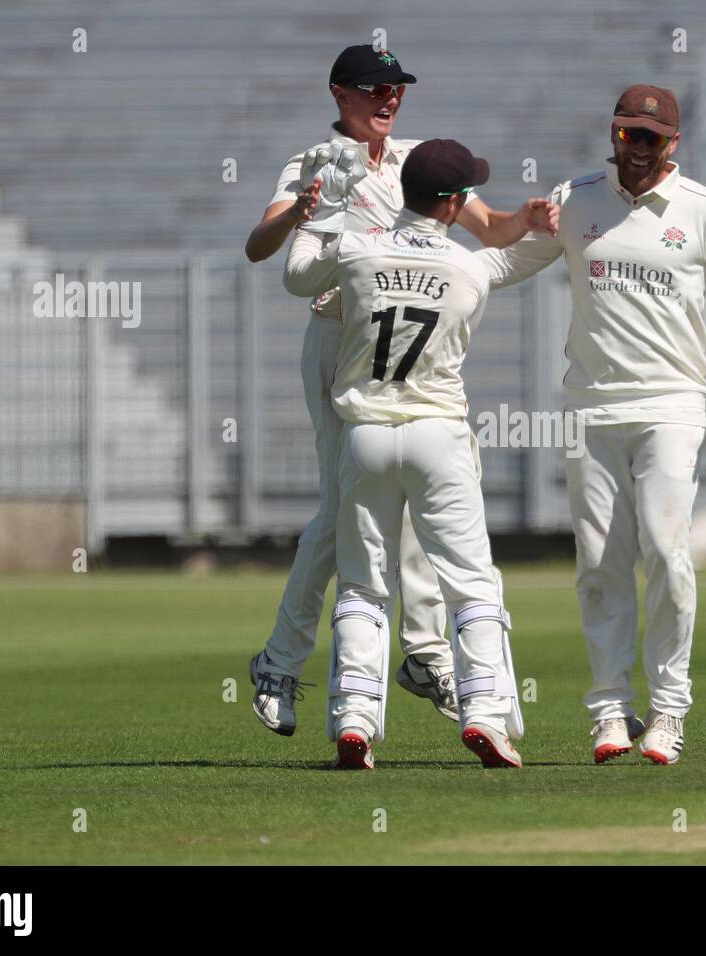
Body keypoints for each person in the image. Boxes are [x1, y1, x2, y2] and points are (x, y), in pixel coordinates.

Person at [243, 45, 557, 736]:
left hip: (401, 343)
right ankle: (281, 660)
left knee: (409, 490)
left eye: (397, 89)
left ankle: (420, 654)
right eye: (373, 88)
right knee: (343, 510)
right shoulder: (313, 163)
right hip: (339, 341)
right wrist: (300, 208)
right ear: (338, 93)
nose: (389, 99)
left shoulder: (419, 161)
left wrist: (528, 221)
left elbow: (488, 228)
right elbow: (259, 248)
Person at [478, 85, 706, 765]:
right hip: (590, 407)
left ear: (673, 143)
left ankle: (669, 710)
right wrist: (415, 274)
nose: (634, 149)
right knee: (600, 564)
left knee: (667, 554)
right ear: (612, 133)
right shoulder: (577, 198)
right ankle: (611, 709)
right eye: (625, 134)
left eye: (649, 138)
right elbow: (507, 263)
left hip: (672, 402)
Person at [283, 140, 533, 769]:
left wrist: (319, 209)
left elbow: (296, 275)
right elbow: (515, 259)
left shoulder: (358, 250)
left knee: (365, 587)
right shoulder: (467, 267)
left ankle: (355, 720)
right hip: (437, 434)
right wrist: (545, 220)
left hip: (365, 433)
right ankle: (482, 712)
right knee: (471, 582)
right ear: (451, 205)